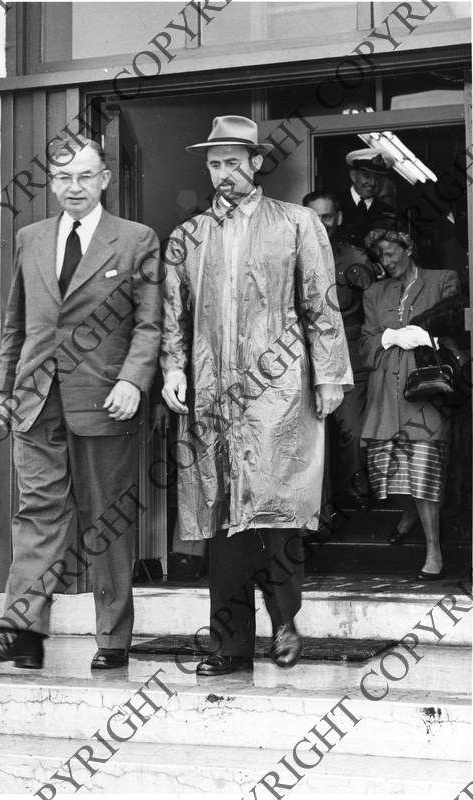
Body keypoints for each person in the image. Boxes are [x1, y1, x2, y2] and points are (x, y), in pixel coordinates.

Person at [161, 116, 352, 676]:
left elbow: (321, 301)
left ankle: (285, 618)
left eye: (232, 162)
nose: (224, 174)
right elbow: (175, 314)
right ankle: (230, 646)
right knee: (223, 519)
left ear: (256, 162)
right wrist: (174, 368)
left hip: (278, 389)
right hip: (213, 391)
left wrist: (329, 375)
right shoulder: (188, 237)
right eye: (214, 164)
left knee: (278, 509)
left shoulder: (296, 225)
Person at [0, 137, 162, 670]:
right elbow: (18, 321)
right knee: (36, 513)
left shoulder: (135, 239)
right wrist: (4, 391)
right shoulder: (30, 238)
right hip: (35, 400)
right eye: (62, 178)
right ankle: (24, 632)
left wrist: (133, 379)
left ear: (104, 179)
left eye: (84, 177)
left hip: (106, 399)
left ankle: (113, 639)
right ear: (51, 183)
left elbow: (150, 322)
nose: (73, 188)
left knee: (106, 519)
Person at [359, 225, 460, 580]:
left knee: (424, 471)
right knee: (382, 469)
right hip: (385, 392)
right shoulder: (373, 292)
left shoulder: (442, 279)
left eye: (391, 254)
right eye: (379, 257)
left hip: (425, 390)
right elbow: (365, 344)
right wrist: (387, 337)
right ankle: (411, 513)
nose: (386, 262)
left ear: (408, 248)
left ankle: (434, 554)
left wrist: (428, 336)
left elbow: (457, 328)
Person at [303, 190, 379, 503]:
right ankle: (315, 510)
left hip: (347, 357)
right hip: (299, 359)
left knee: (353, 432)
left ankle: (352, 497)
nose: (320, 225)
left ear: (339, 218)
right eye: (312, 218)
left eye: (327, 217)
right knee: (308, 437)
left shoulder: (356, 260)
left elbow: (372, 314)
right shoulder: (287, 259)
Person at [338, 149, 397, 248]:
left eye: (377, 178)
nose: (373, 183)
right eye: (367, 176)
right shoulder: (335, 203)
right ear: (353, 176)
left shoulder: (389, 212)